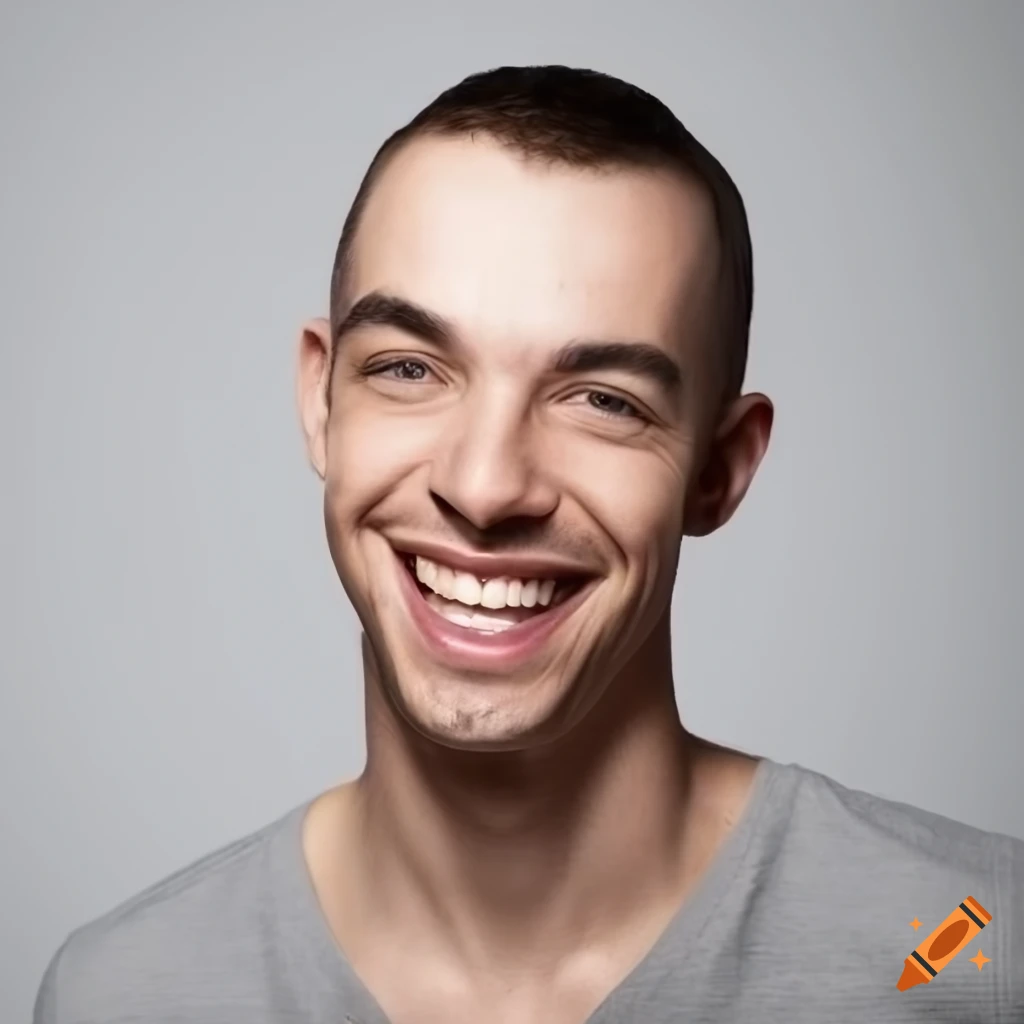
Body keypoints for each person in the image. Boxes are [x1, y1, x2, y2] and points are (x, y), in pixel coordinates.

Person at [34, 65, 1022, 1024]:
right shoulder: (125, 995)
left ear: (720, 467)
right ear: (320, 402)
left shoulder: (974, 946)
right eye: (409, 368)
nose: (483, 485)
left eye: (602, 400)